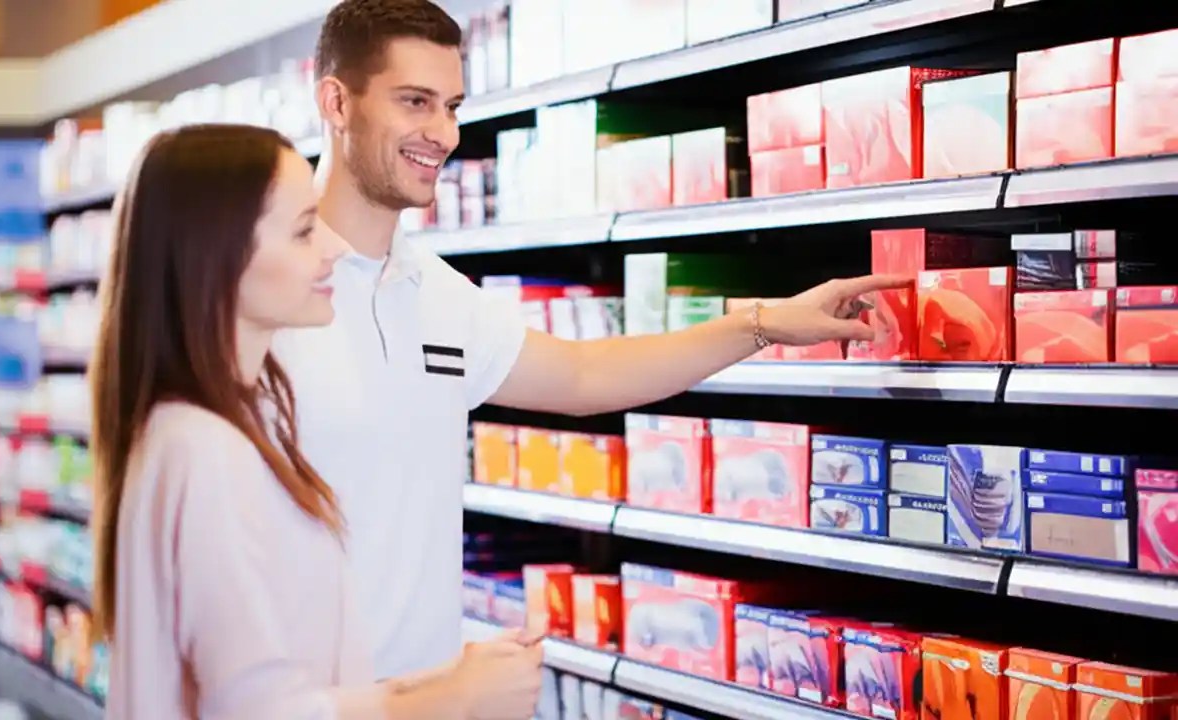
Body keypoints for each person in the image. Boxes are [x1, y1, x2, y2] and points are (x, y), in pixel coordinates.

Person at [275, 0, 911, 680]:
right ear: (336, 102)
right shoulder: (261, 294)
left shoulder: (436, 292)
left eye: (452, 105)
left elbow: (583, 376)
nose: (445, 132)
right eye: (415, 102)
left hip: (430, 699)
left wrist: (764, 323)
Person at [89, 123, 543, 720]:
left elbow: (292, 678)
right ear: (218, 255)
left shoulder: (215, 430)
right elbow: (254, 710)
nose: (331, 249)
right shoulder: (204, 451)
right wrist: (451, 700)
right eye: (304, 231)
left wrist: (442, 680)